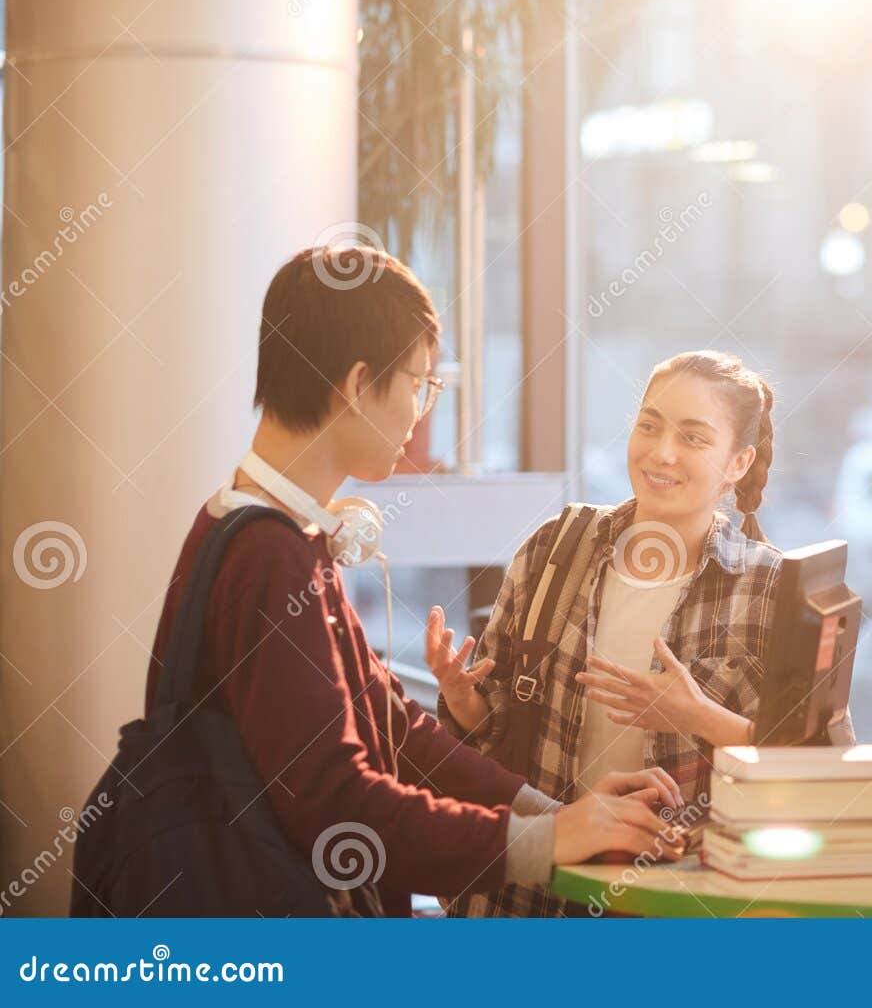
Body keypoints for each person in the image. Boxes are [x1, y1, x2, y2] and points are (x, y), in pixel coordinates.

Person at [143, 246, 682, 917]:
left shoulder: (288, 532)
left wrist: (559, 814)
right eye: (420, 384)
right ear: (356, 383)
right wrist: (544, 839)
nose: (421, 414)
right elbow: (336, 800)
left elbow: (397, 726)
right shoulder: (268, 556)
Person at [431, 350, 784, 916]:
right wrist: (461, 696)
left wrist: (698, 717)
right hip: (528, 897)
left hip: (675, 906)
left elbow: (817, 768)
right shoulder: (556, 548)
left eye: (694, 438)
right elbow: (494, 735)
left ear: (737, 463)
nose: (661, 452)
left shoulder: (767, 588)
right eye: (649, 425)